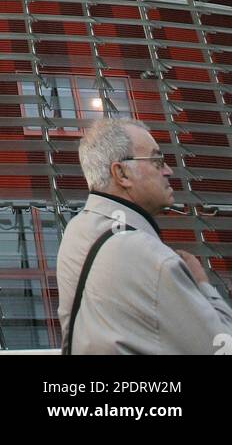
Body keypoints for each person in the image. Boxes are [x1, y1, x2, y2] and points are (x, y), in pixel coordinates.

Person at [57, 118, 232, 354]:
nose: (168, 170)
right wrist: (202, 284)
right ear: (122, 173)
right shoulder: (151, 257)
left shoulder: (78, 229)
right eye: (157, 160)